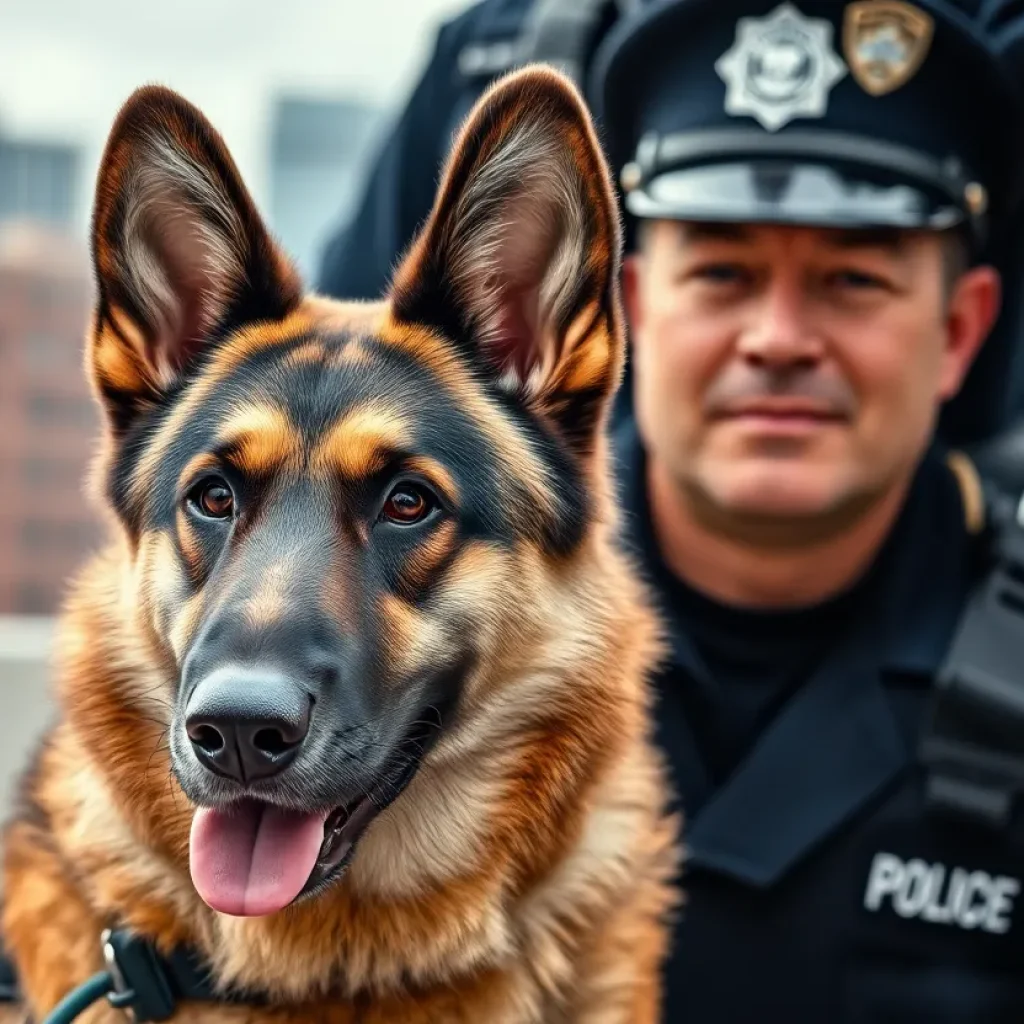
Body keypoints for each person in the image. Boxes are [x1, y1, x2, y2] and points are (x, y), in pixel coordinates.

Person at [321, 1, 1024, 1019]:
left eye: (852, 280)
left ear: (959, 331)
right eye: (724, 274)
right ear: (634, 310)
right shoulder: (393, 656)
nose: (777, 338)